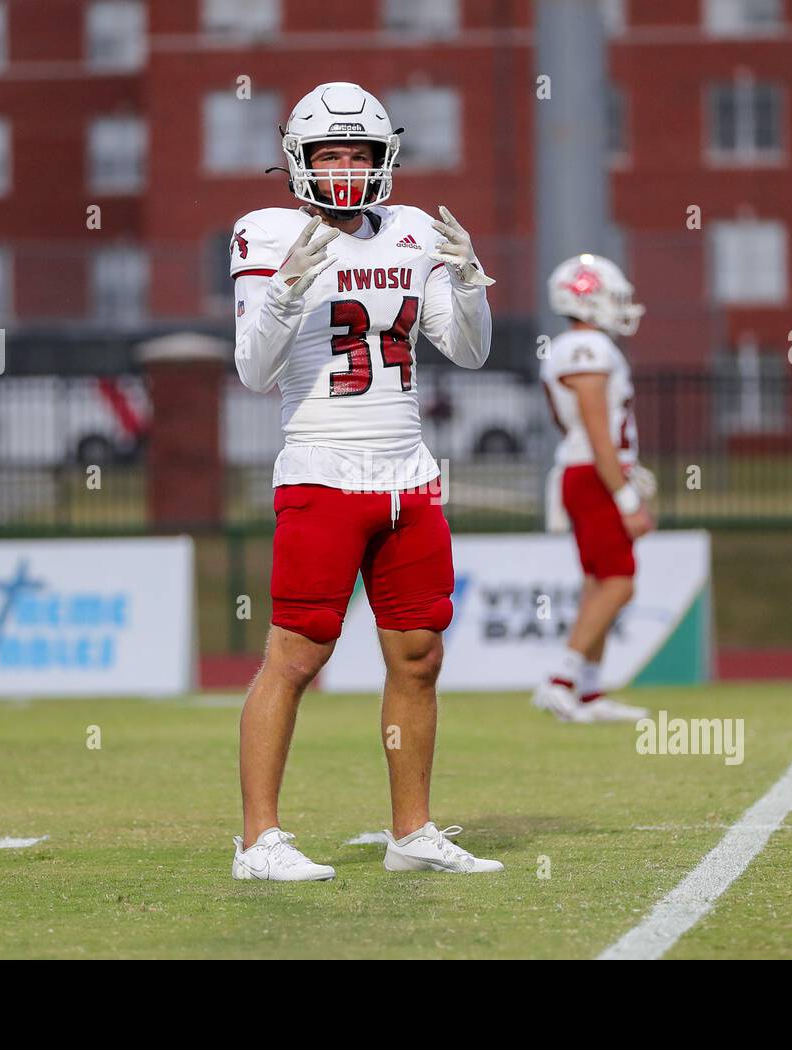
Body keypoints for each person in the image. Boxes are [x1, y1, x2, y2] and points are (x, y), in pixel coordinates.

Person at [228, 82, 502, 880]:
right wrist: (282, 292)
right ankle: (257, 841)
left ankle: (411, 834)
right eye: (330, 154)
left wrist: (472, 282)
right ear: (298, 160)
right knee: (296, 658)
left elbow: (470, 351)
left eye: (359, 153)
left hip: (409, 475)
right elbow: (251, 369)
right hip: (322, 468)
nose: (345, 168)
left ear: (385, 160)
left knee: (419, 655)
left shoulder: (415, 231)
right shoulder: (269, 232)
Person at [532, 254, 657, 724]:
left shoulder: (573, 348)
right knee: (620, 583)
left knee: (598, 582)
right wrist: (624, 494)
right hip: (593, 472)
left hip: (587, 470)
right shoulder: (587, 348)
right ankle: (559, 680)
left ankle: (587, 689)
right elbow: (595, 427)